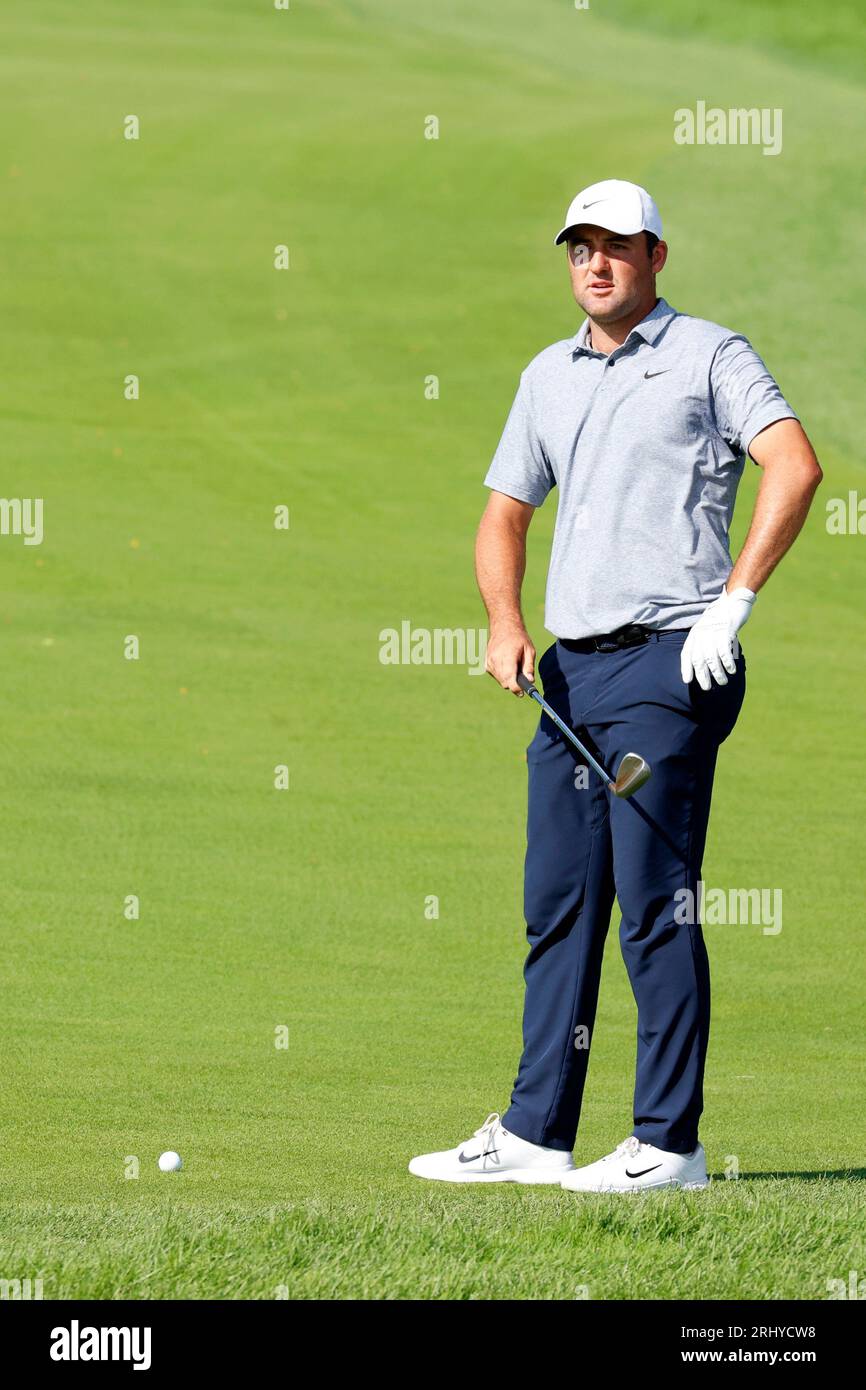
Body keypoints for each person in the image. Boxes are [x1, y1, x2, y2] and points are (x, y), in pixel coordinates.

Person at [409, 179, 822, 1192]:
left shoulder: (708, 356)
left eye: (617, 246)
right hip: (568, 674)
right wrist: (504, 621)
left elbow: (793, 465)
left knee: (652, 900)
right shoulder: (545, 375)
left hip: (667, 665)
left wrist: (731, 603)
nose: (595, 263)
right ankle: (534, 1129)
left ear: (655, 256)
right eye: (579, 247)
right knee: (559, 899)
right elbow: (503, 512)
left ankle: (666, 1142)